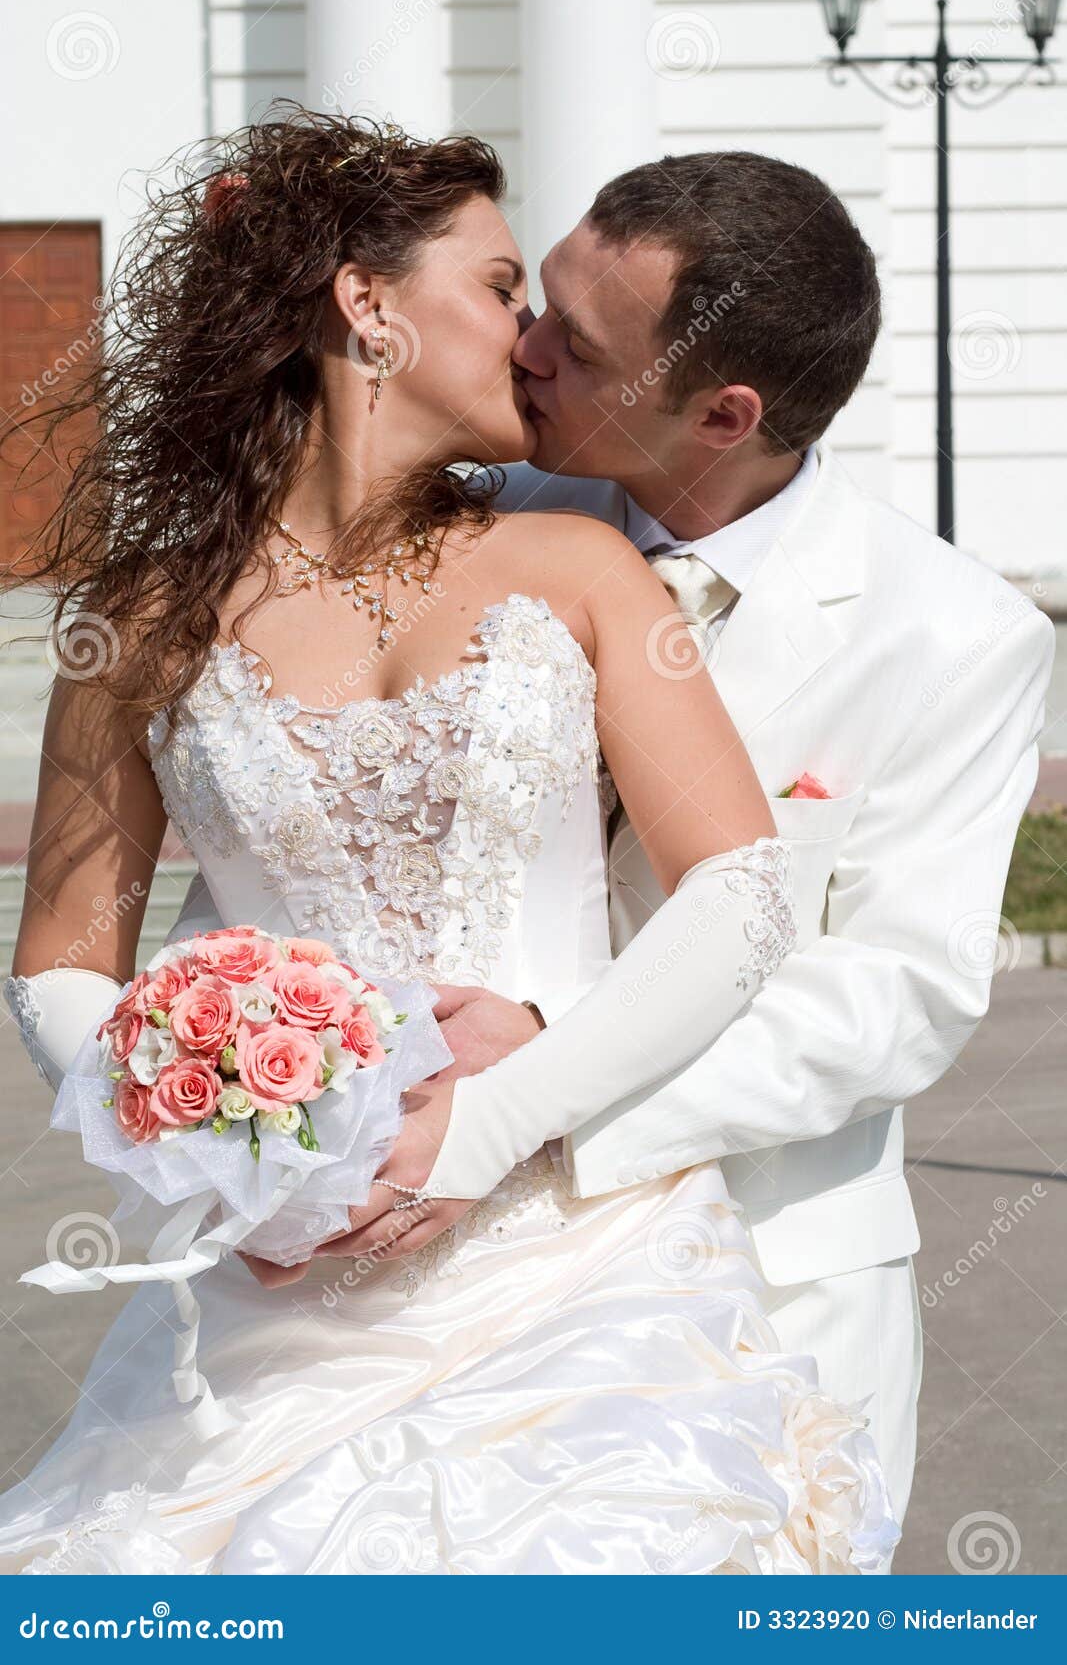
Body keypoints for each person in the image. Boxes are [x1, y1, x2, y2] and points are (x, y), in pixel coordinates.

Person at [0, 108, 896, 1575]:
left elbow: (740, 896)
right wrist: (227, 1145)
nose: (534, 336)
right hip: (284, 1279)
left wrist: (485, 1127)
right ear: (368, 305)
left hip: (581, 1260)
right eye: (498, 287)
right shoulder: (144, 621)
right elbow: (59, 968)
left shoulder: (581, 563)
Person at [179, 149, 1054, 1528]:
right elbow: (292, 817)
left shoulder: (952, 633)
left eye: (575, 345)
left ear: (723, 411)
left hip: (771, 1279)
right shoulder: (481, 523)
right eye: (534, 299)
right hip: (416, 1287)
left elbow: (897, 996)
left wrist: (536, 1095)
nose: (521, 349)